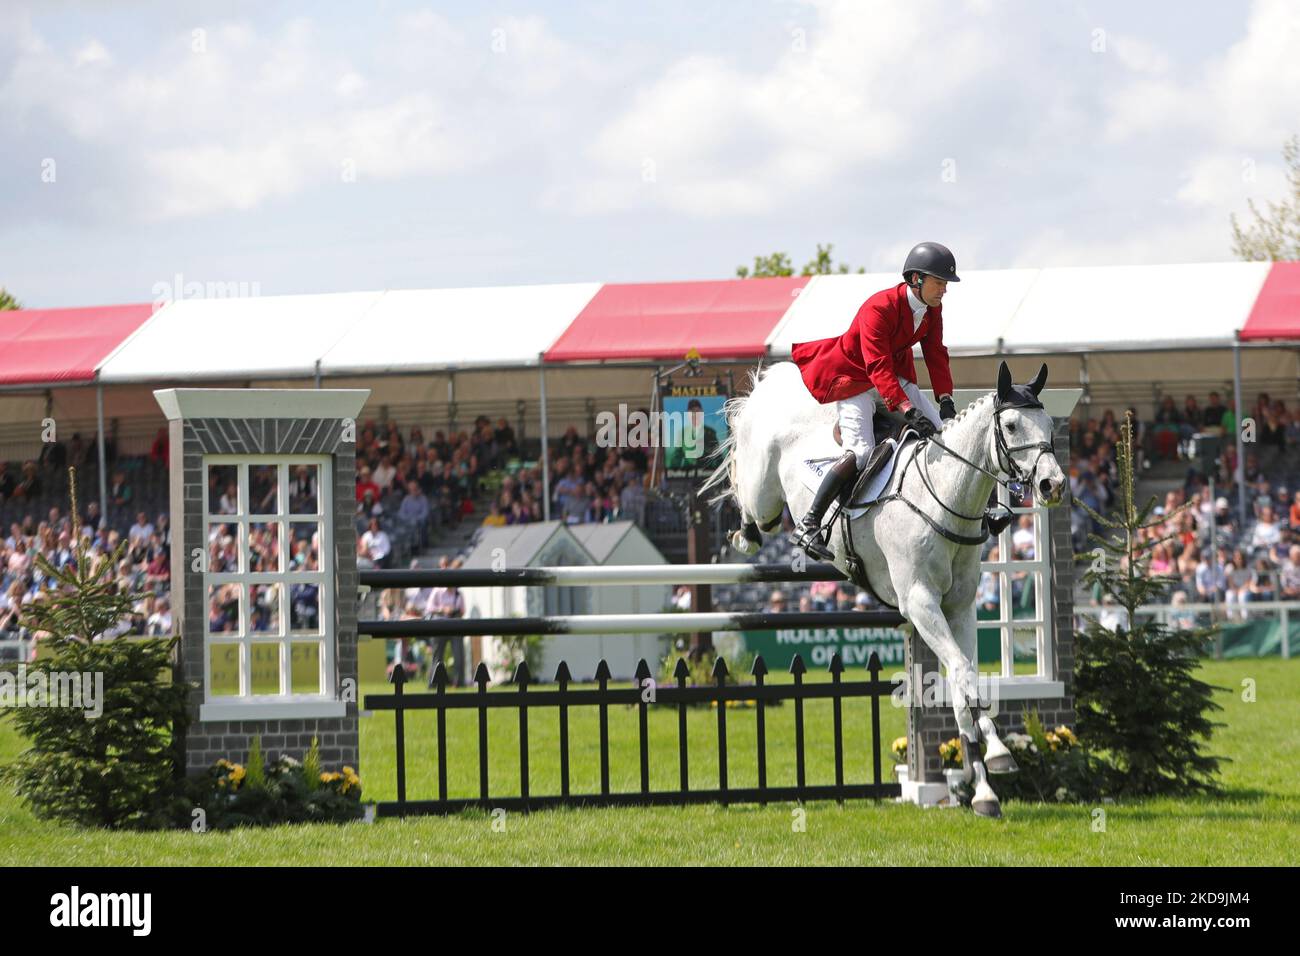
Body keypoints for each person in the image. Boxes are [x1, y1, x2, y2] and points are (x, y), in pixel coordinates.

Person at [788, 241, 958, 558]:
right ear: (916, 279)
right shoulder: (878, 308)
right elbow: (876, 364)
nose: (944, 290)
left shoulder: (932, 310)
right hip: (855, 380)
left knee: (944, 435)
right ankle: (809, 523)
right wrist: (906, 409)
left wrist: (945, 399)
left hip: (891, 378)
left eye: (945, 284)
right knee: (862, 451)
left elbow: (936, 353)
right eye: (939, 282)